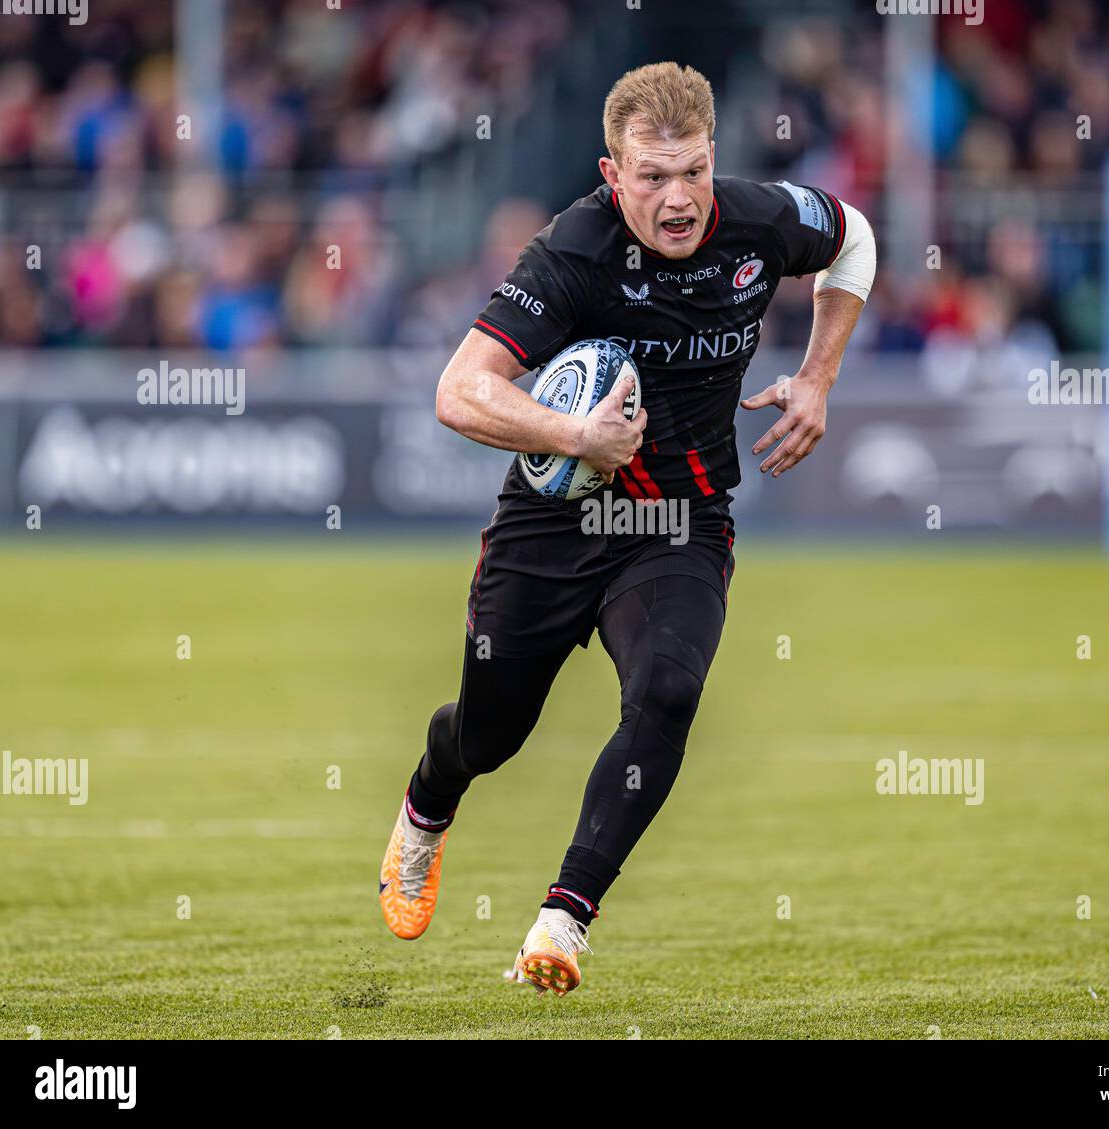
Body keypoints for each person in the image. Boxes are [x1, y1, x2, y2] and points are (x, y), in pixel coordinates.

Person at [378, 61, 876, 996]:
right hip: (552, 526)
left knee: (669, 691)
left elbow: (856, 242)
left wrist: (819, 377)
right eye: (652, 177)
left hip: (677, 524)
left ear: (713, 159)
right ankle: (427, 805)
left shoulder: (763, 220)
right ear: (615, 176)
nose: (678, 198)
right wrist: (577, 435)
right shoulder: (573, 250)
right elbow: (459, 391)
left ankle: (562, 921)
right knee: (490, 734)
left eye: (692, 171)